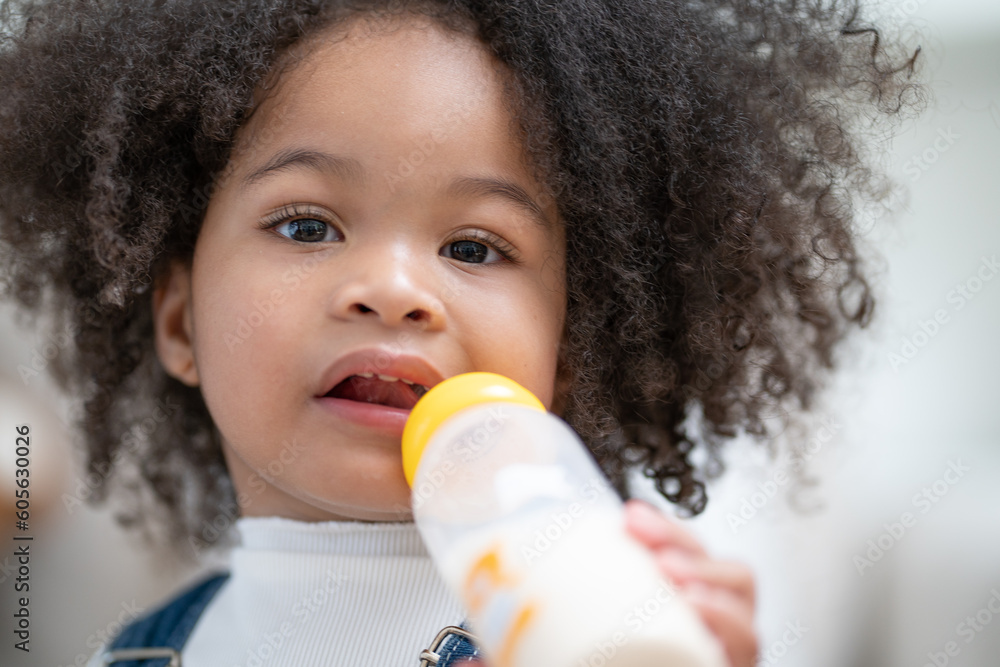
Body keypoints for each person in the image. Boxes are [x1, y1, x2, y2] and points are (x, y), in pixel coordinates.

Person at [0, 1, 920, 666]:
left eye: (474, 247)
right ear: (177, 320)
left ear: (572, 350)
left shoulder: (604, 623)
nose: (395, 291)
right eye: (308, 225)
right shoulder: (144, 654)